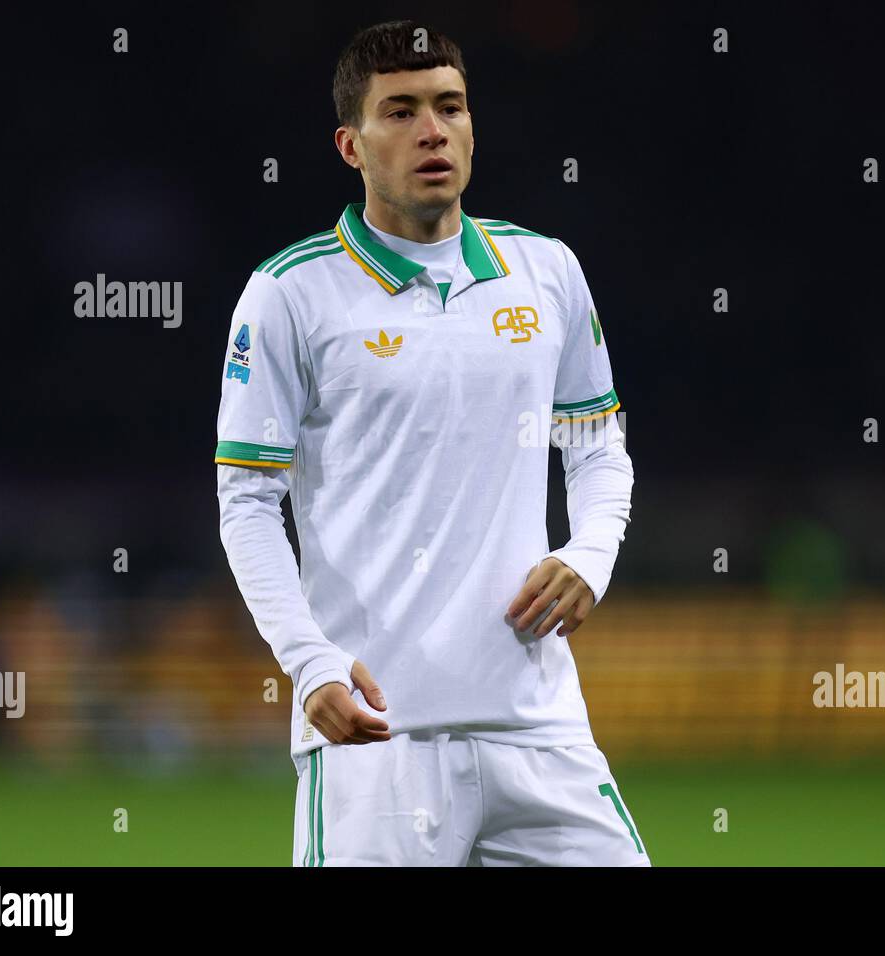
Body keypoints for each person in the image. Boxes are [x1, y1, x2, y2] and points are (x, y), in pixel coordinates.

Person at [214, 19, 647, 866]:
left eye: (449, 107)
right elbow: (248, 504)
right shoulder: (288, 295)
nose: (431, 130)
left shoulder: (547, 270)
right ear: (351, 144)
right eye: (401, 111)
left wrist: (590, 553)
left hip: (539, 728)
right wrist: (310, 666)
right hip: (381, 736)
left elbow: (597, 444)